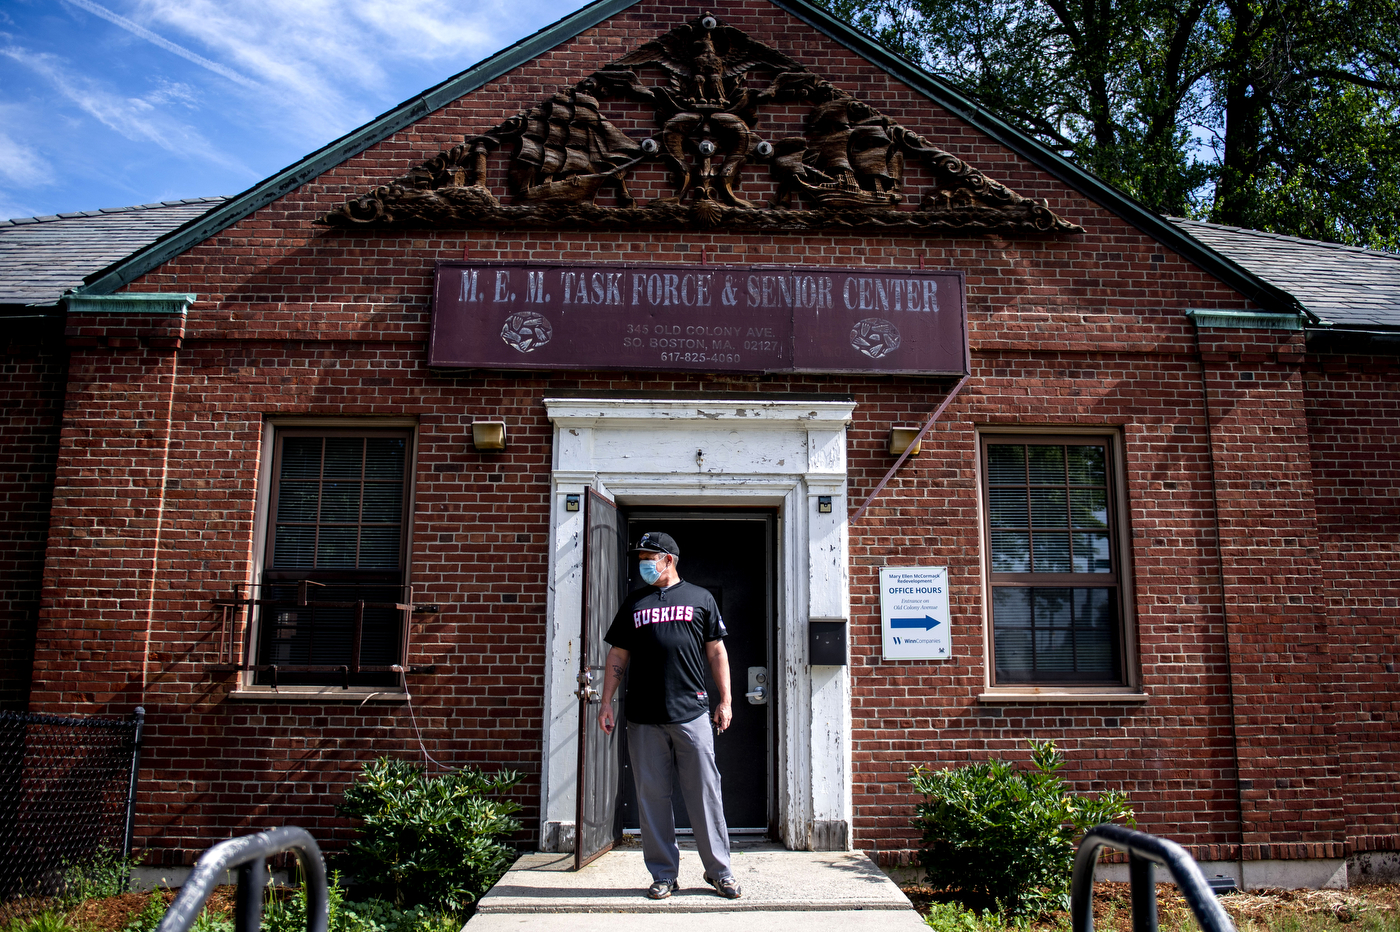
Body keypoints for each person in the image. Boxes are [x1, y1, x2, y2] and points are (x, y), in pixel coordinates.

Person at [597, 530, 741, 900]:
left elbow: (717, 653)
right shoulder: (635, 602)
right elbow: (618, 655)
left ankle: (719, 871)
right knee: (652, 797)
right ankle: (663, 874)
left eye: (650, 557)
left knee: (705, 794)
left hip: (691, 714)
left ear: (669, 560)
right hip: (643, 718)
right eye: (641, 557)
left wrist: (724, 700)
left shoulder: (700, 598)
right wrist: (606, 701)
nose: (644, 563)